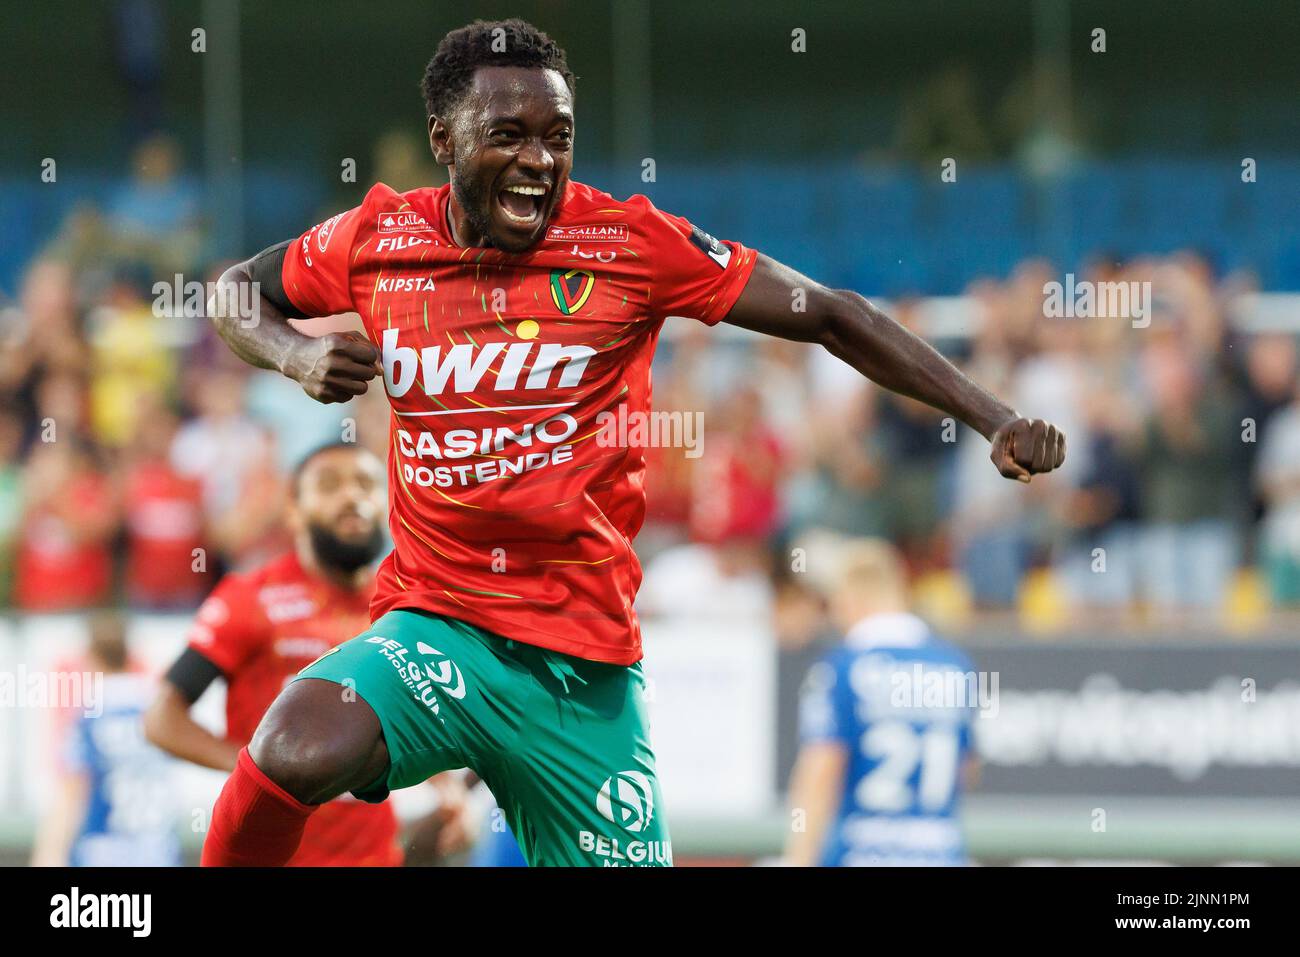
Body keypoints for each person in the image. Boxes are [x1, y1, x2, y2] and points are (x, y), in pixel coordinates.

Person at [200, 18, 1064, 868]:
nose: (539, 161)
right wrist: (297, 351)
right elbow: (235, 290)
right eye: (508, 135)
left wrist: (992, 415)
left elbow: (833, 314)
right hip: (440, 627)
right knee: (295, 743)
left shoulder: (631, 243)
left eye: (559, 137)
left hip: (582, 662)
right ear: (444, 139)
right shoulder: (377, 239)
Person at [145, 443, 409, 865]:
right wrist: (264, 772)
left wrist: (446, 789)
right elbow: (162, 718)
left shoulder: (402, 607)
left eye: (367, 484)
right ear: (293, 509)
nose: (351, 497)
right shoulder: (251, 597)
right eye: (329, 485)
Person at [785, 539, 980, 866]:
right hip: (938, 855)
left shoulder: (843, 668)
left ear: (850, 598)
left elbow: (820, 772)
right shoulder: (955, 666)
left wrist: (799, 859)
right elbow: (967, 767)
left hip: (860, 854)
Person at [31, 612, 181, 867]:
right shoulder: (156, 707)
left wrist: (49, 854)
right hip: (158, 850)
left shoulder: (90, 713)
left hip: (102, 851)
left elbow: (73, 790)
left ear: (90, 656)